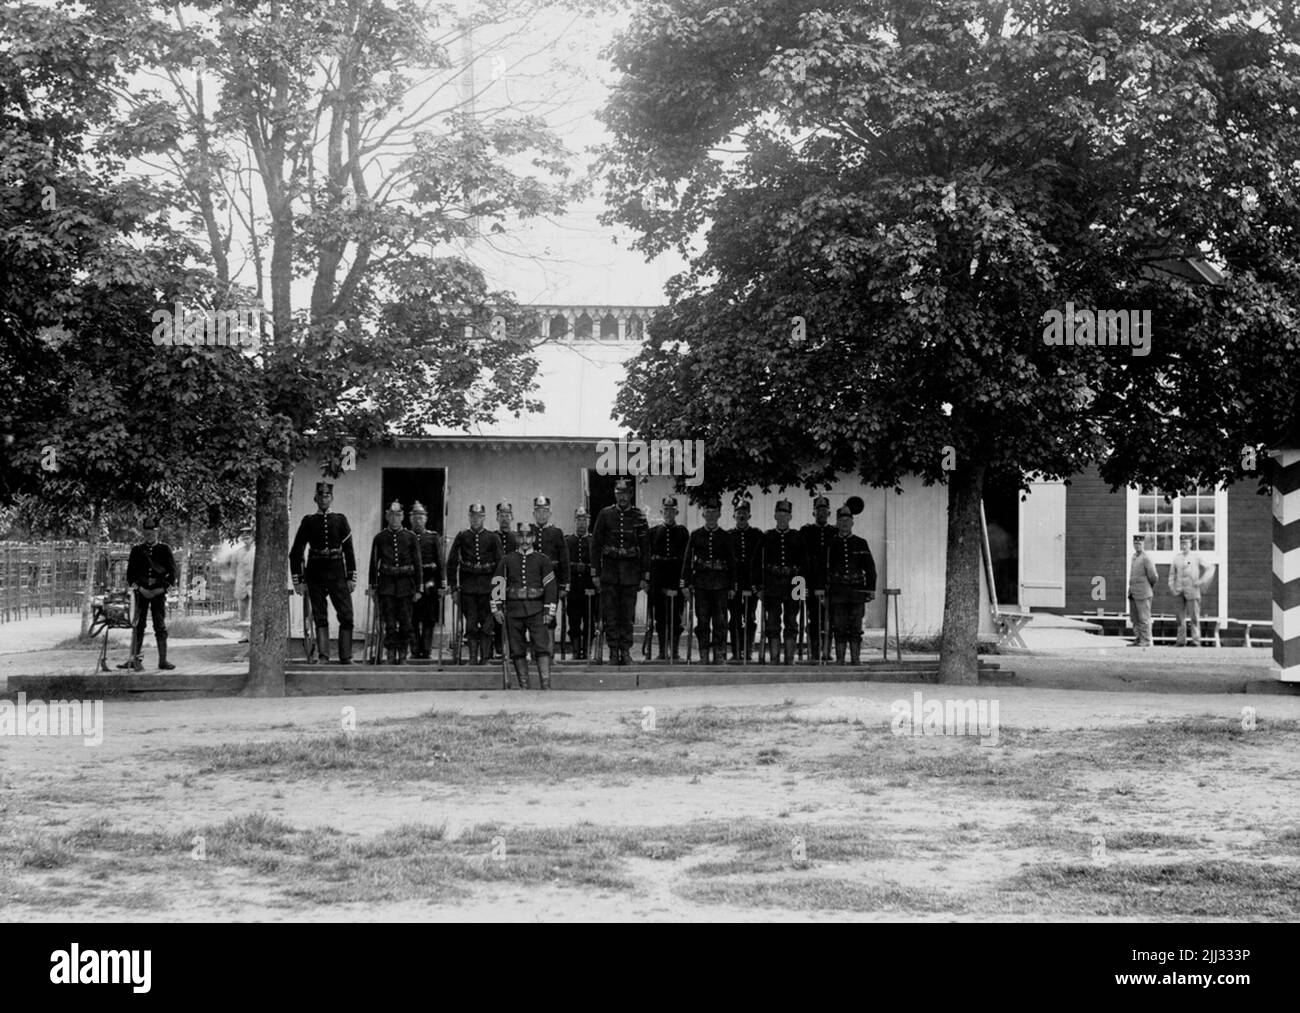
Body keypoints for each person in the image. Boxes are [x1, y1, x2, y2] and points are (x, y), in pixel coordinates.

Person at [289, 481, 357, 664]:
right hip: (315, 573)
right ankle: (323, 656)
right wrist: (299, 580)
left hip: (337, 573)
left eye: (327, 496)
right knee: (320, 616)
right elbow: (296, 552)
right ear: (315, 498)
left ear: (332, 498)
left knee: (347, 615)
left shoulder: (341, 520)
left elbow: (349, 550)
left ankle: (346, 656)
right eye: (320, 495)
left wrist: (351, 577)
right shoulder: (308, 521)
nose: (324, 499)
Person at [591, 477, 649, 666]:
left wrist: (644, 575)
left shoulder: (639, 516)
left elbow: (645, 547)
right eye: (619, 493)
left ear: (631, 494)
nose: (622, 497)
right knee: (611, 615)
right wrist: (596, 573)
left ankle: (625, 651)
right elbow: (596, 545)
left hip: (630, 574)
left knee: (627, 616)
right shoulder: (605, 514)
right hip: (609, 573)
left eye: (625, 493)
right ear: (615, 494)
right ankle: (613, 651)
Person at [493, 523, 559, 689]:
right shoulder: (507, 560)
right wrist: (497, 608)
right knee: (517, 649)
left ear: (533, 538)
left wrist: (549, 611)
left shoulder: (542, 560)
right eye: (521, 536)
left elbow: (551, 588)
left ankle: (546, 685)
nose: (524, 540)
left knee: (542, 647)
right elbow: (498, 584)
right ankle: (524, 686)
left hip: (537, 610)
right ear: (517, 538)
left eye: (528, 536)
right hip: (514, 610)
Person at [447, 503, 504, 665]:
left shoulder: (493, 538)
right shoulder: (462, 536)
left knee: (487, 626)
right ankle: (472, 658)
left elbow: (500, 566)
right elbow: (452, 563)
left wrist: (499, 594)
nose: (476, 519)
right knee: (471, 625)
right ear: (469, 517)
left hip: (488, 589)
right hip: (468, 588)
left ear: (484, 518)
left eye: (479, 516)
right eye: (473, 516)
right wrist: (454, 589)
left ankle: (485, 658)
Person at [368, 500, 423, 665]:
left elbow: (418, 563)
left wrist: (419, 587)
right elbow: (373, 563)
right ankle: (391, 653)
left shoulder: (410, 537)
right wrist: (372, 586)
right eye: (391, 515)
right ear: (386, 516)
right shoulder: (380, 538)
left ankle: (403, 654)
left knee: (406, 622)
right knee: (390, 622)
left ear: (403, 517)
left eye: (398, 515)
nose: (395, 518)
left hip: (406, 585)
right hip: (386, 585)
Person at [682, 495, 734, 664]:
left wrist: (732, 585)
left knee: (720, 621)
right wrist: (685, 583)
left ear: (719, 514)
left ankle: (719, 653)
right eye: (707, 511)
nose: (711, 515)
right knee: (702, 620)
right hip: (701, 584)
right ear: (703, 514)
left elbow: (732, 563)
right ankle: (704, 654)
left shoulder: (726, 537)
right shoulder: (696, 535)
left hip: (721, 585)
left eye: (714, 512)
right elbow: (687, 560)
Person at [121, 515, 177, 671]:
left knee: (160, 626)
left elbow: (172, 574)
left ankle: (163, 661)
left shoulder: (164, 549)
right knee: (138, 625)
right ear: (143, 533)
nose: (149, 535)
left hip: (158, 593)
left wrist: (162, 588)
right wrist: (141, 589)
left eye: (152, 532)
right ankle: (134, 658)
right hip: (142, 593)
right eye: (147, 532)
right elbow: (130, 575)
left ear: (157, 533)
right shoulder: (137, 551)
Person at [826, 504, 877, 664]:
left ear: (853, 523)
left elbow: (870, 568)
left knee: (856, 628)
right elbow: (822, 568)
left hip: (857, 592)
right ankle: (840, 660)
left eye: (847, 520)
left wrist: (870, 589)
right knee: (839, 628)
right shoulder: (830, 544)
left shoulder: (861, 543)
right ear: (837, 523)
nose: (844, 523)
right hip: (838, 592)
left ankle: (856, 659)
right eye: (841, 520)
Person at [760, 499, 805, 664]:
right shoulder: (767, 537)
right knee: (772, 621)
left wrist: (801, 587)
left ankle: (789, 657)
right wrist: (759, 586)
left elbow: (804, 564)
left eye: (786, 514)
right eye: (779, 514)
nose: (782, 517)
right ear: (775, 516)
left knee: (792, 621)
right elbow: (757, 562)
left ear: (790, 517)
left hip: (794, 584)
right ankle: (773, 657)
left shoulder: (797, 537)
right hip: (772, 584)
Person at [647, 496, 689, 659]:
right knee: (660, 618)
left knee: (676, 618)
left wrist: (685, 583)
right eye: (665, 510)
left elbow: (686, 560)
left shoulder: (683, 532)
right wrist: (648, 582)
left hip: (676, 581)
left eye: (672, 510)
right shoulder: (653, 532)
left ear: (676, 512)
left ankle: (676, 652)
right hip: (658, 582)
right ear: (661, 511)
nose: (668, 513)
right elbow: (648, 559)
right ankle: (662, 652)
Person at [799, 495, 836, 661]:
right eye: (818, 510)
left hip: (831, 582)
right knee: (813, 618)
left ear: (829, 513)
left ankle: (827, 650)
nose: (821, 513)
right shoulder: (806, 531)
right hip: (810, 581)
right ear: (813, 513)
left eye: (824, 511)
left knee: (830, 618)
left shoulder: (834, 532)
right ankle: (814, 651)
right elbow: (800, 560)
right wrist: (799, 589)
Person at [728, 502, 763, 661]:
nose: (741, 516)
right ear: (733, 515)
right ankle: (736, 651)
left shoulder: (757, 535)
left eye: (744, 513)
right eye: (738, 513)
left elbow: (760, 560)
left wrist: (758, 584)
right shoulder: (728, 535)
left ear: (749, 515)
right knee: (734, 617)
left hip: (751, 581)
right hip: (734, 582)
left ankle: (748, 650)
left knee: (750, 617)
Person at [409, 501, 443, 660]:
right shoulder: (407, 536)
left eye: (421, 516)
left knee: (429, 618)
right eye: (415, 516)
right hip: (412, 581)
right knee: (412, 617)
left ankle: (427, 650)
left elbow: (440, 561)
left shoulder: (432, 536)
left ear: (426, 518)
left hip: (430, 581)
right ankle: (415, 650)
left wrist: (442, 582)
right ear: (410, 518)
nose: (418, 520)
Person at [1168, 534, 1215, 647]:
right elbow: (1171, 575)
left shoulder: (1195, 557)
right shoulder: (1177, 558)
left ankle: (1196, 640)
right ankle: (1180, 640)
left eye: (1186, 543)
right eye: (1182, 544)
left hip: (1192, 591)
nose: (1184, 546)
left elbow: (1210, 568)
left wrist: (1202, 581)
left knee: (1194, 617)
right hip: (1179, 591)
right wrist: (1172, 588)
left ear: (1190, 544)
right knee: (1180, 618)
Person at [565, 507, 595, 659]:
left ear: (588, 522)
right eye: (579, 520)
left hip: (590, 588)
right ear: (574, 521)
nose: (582, 523)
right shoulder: (568, 541)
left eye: (584, 520)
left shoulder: (594, 541)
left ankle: (587, 651)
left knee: (590, 621)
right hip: (574, 587)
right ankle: (576, 652)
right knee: (574, 620)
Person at [492, 501, 518, 658]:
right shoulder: (492, 536)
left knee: (514, 615)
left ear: (512, 517)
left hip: (513, 582)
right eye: (501, 515)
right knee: (497, 614)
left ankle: (513, 648)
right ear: (497, 518)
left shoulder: (516, 538)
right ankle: (499, 649)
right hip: (497, 582)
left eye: (507, 515)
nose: (504, 519)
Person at [1128, 534, 1159, 647]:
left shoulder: (1146, 557)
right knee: (1135, 618)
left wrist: (1147, 588)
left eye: (1139, 543)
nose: (1137, 545)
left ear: (1143, 544)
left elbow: (1154, 576)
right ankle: (1138, 638)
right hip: (1133, 592)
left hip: (1143, 593)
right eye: (1135, 543)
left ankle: (1146, 640)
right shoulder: (1134, 557)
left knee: (1144, 618)